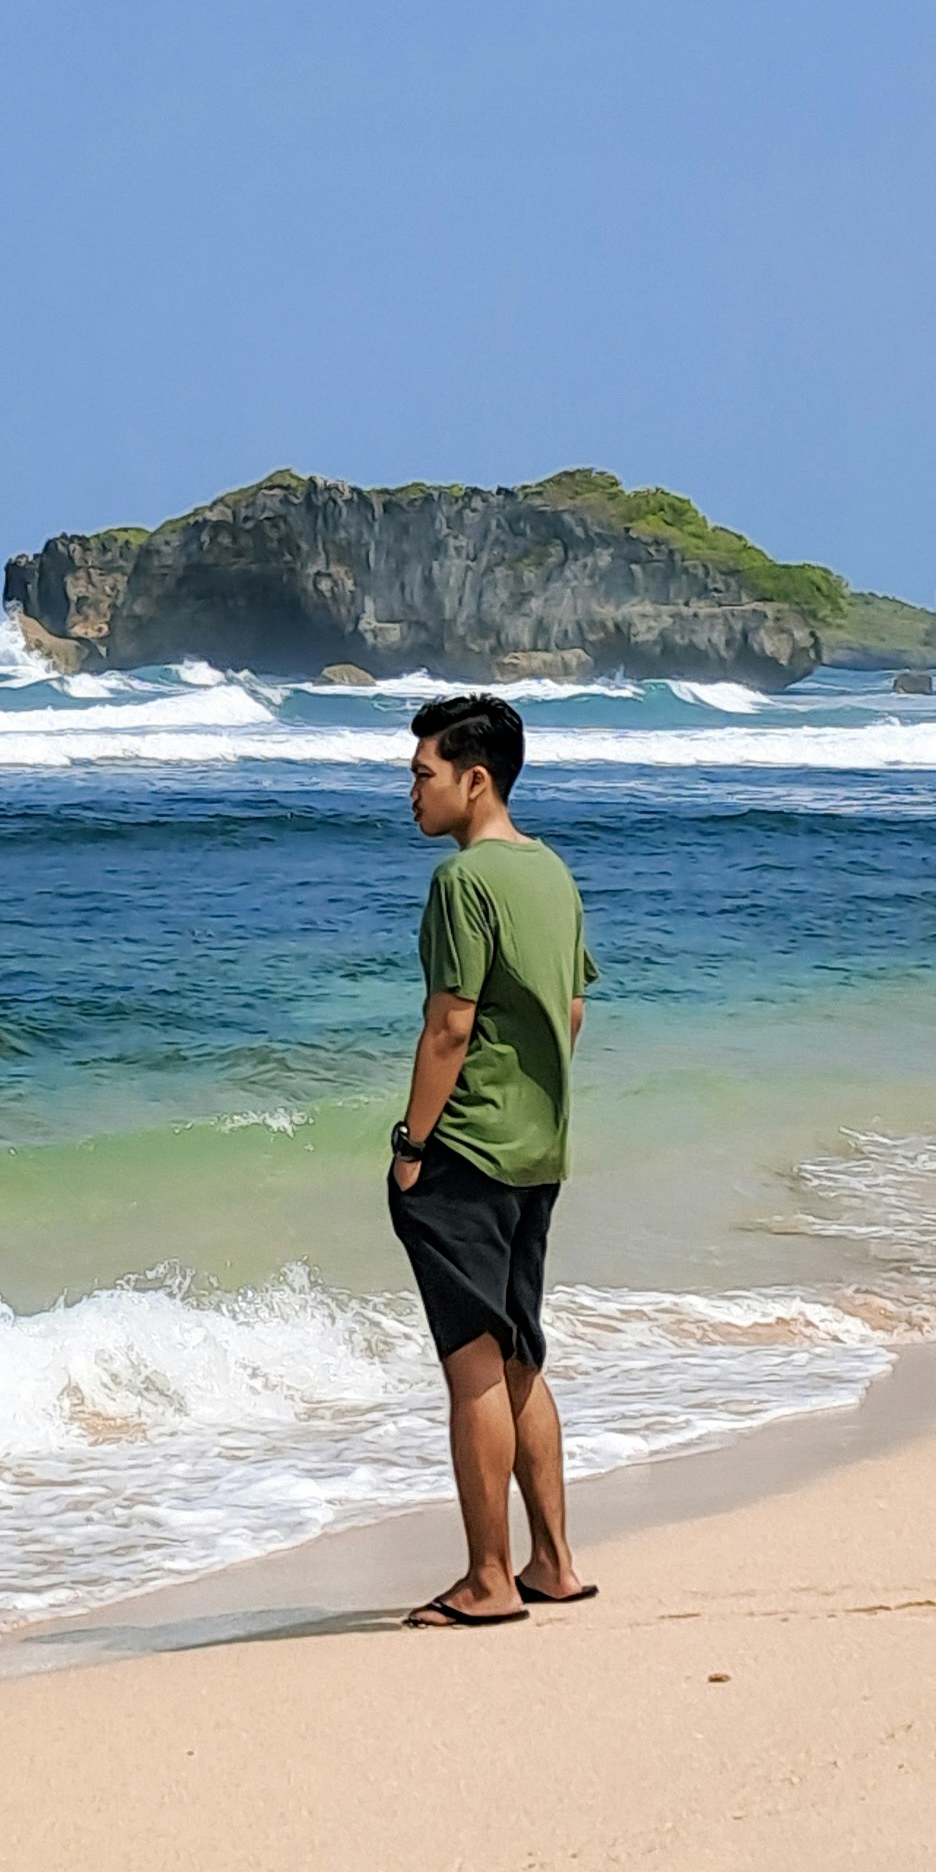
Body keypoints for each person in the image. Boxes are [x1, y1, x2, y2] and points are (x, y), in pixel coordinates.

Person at [387, 689, 598, 1628]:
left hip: (467, 1152)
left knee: (474, 1365)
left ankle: (487, 1579)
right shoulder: (552, 873)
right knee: (520, 1361)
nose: (412, 790)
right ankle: (553, 1563)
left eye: (424, 774)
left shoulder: (462, 884)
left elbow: (450, 1024)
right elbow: (575, 1008)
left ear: (476, 781)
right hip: (540, 1150)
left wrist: (411, 1145)